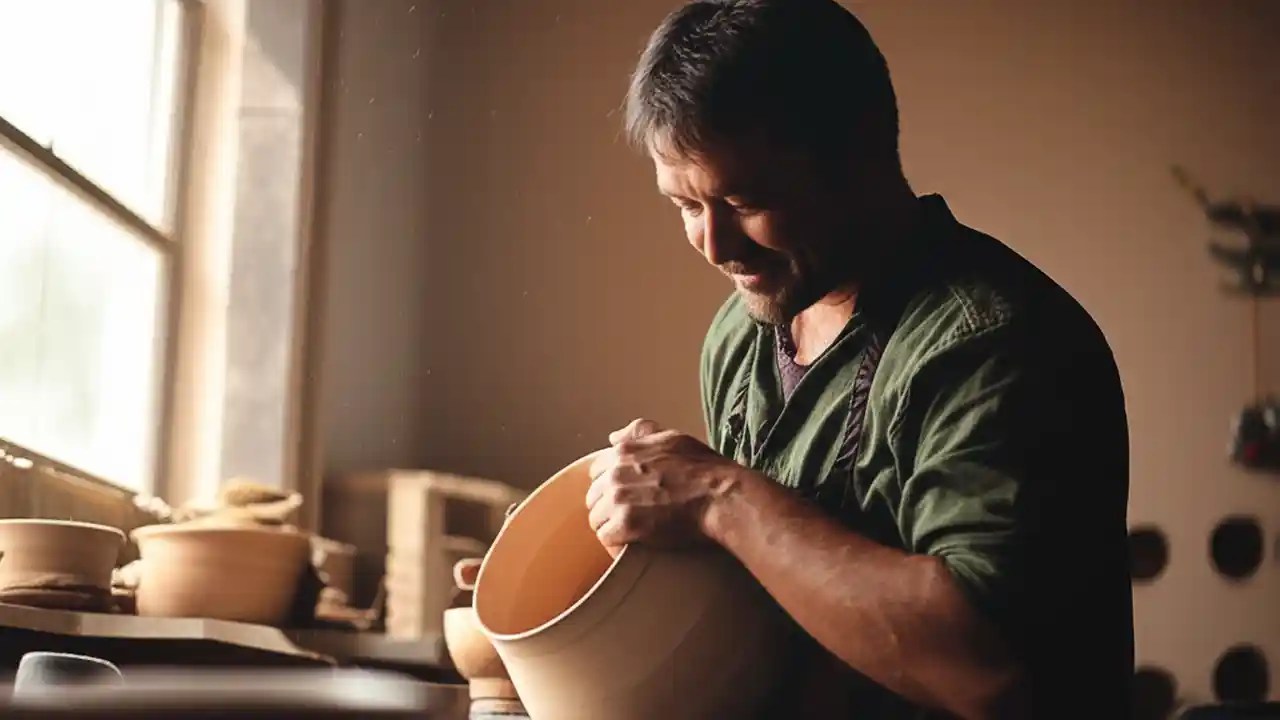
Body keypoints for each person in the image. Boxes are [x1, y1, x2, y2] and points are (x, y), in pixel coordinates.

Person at [585, 1, 1134, 718]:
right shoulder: (738, 335)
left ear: (860, 152)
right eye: (685, 205)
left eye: (744, 199)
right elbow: (764, 594)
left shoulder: (998, 345)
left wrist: (722, 498)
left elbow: (988, 672)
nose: (715, 245)